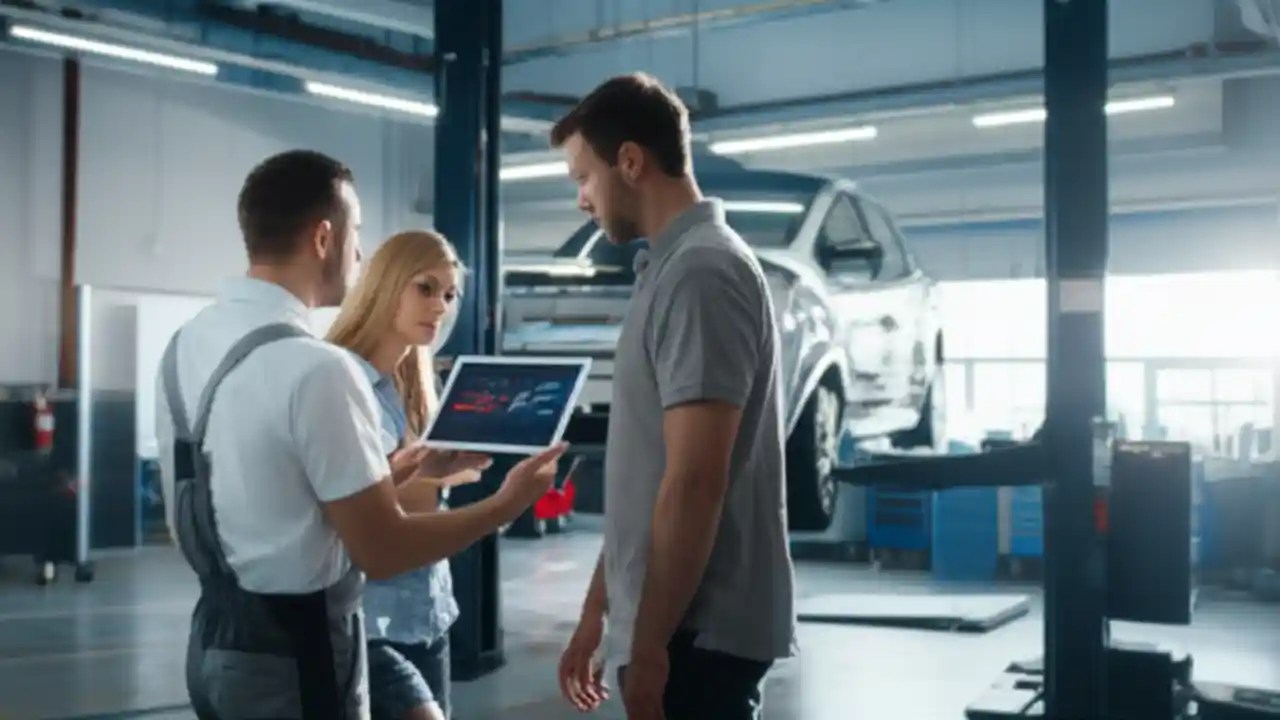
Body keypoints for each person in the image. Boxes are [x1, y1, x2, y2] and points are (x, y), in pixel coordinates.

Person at [155, 149, 565, 719]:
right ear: (324, 237)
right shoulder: (319, 368)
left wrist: (398, 469)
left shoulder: (184, 346)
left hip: (216, 649)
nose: (359, 252)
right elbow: (385, 548)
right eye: (358, 233)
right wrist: (507, 504)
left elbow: (267, 492)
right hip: (301, 655)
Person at [551, 73, 797, 720]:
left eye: (583, 177)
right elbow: (647, 481)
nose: (581, 199)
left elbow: (694, 481)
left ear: (630, 161)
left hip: (699, 636)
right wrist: (598, 615)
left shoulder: (702, 273)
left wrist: (651, 643)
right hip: (674, 629)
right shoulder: (667, 269)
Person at [326, 230, 470, 720]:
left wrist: (442, 473)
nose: (440, 306)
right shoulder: (337, 380)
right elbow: (345, 511)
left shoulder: (416, 389)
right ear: (387, 285)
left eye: (449, 295)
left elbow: (417, 507)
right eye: (426, 288)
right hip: (366, 622)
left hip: (426, 614)